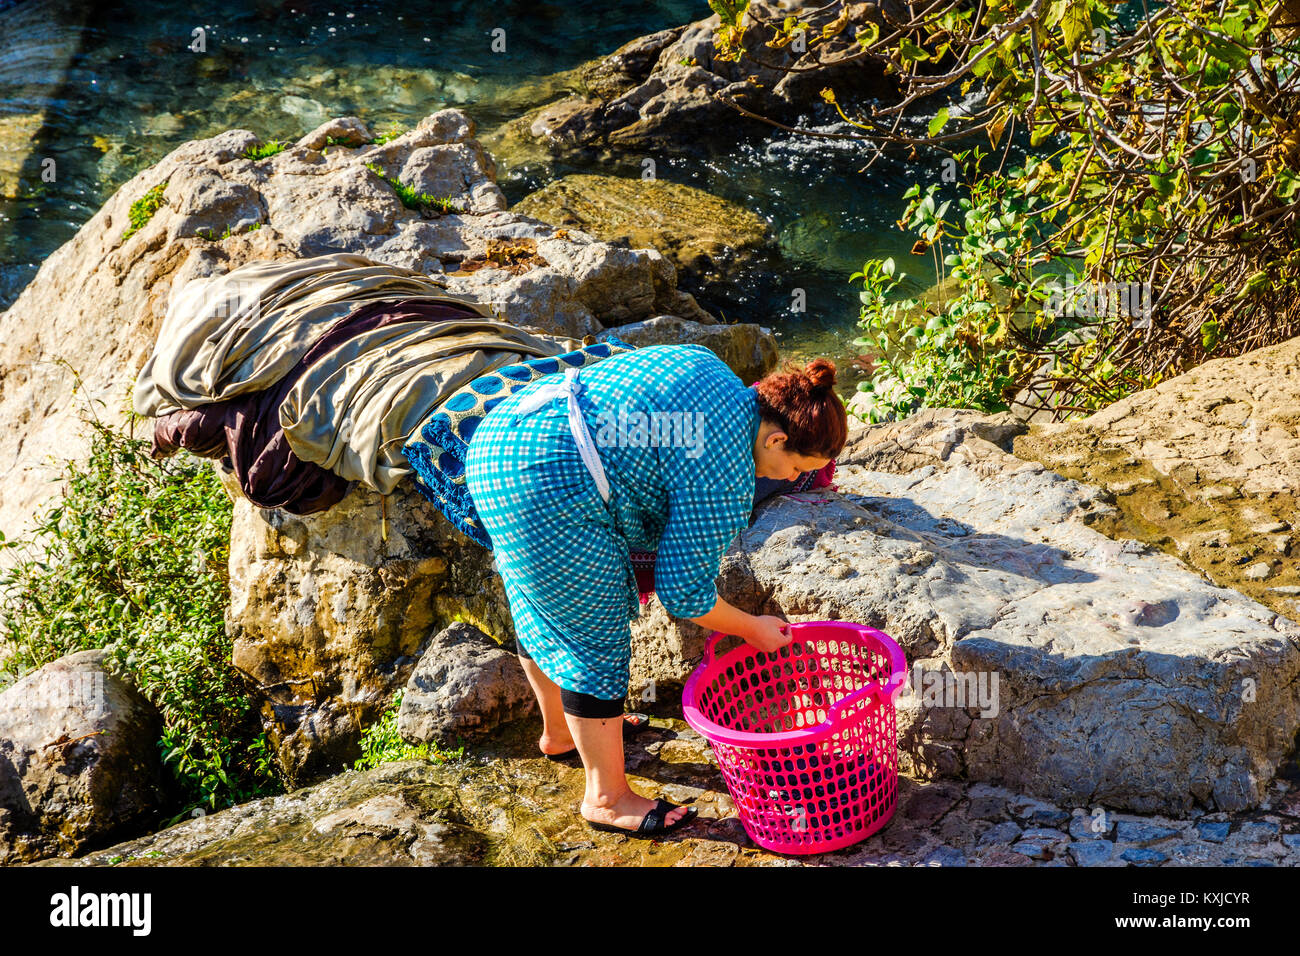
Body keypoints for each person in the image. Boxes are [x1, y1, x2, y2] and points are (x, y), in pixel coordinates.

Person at [463, 344, 849, 837]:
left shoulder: (711, 367)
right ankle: (606, 797)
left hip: (504, 438)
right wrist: (752, 628)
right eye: (799, 468)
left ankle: (561, 733)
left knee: (542, 607)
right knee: (593, 642)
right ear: (775, 440)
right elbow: (684, 593)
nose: (795, 479)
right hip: (550, 480)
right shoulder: (726, 477)